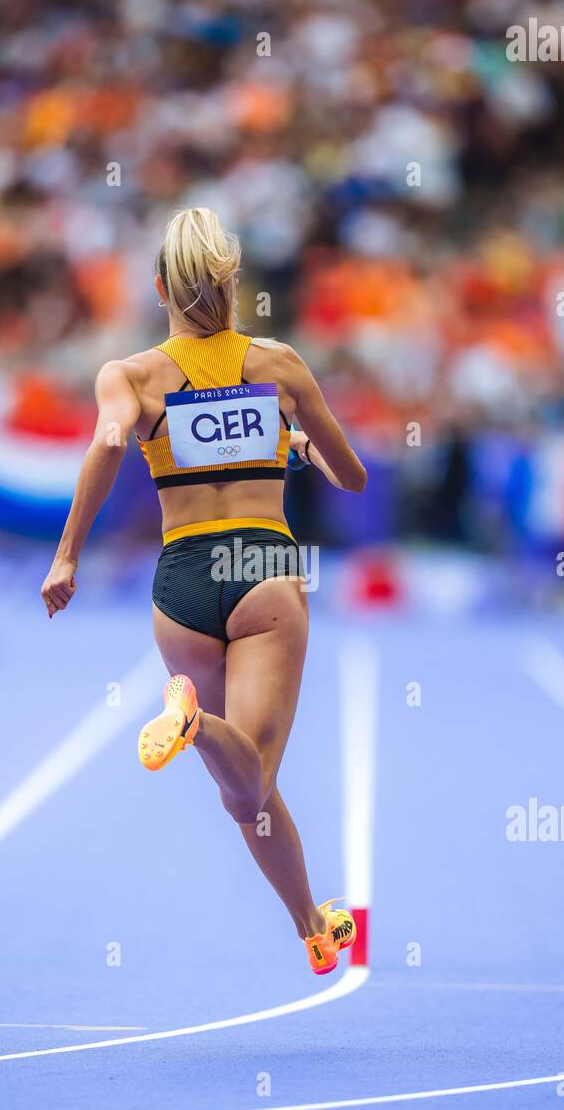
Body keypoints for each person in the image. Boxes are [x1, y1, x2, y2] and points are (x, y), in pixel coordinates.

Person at [42, 207, 367, 974]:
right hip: (261, 571)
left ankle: (312, 927)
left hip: (180, 580)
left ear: (159, 287)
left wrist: (67, 558)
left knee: (240, 795)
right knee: (251, 769)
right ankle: (188, 722)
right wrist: (297, 445)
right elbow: (352, 477)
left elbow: (110, 443)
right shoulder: (278, 364)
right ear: (233, 284)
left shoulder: (129, 376)